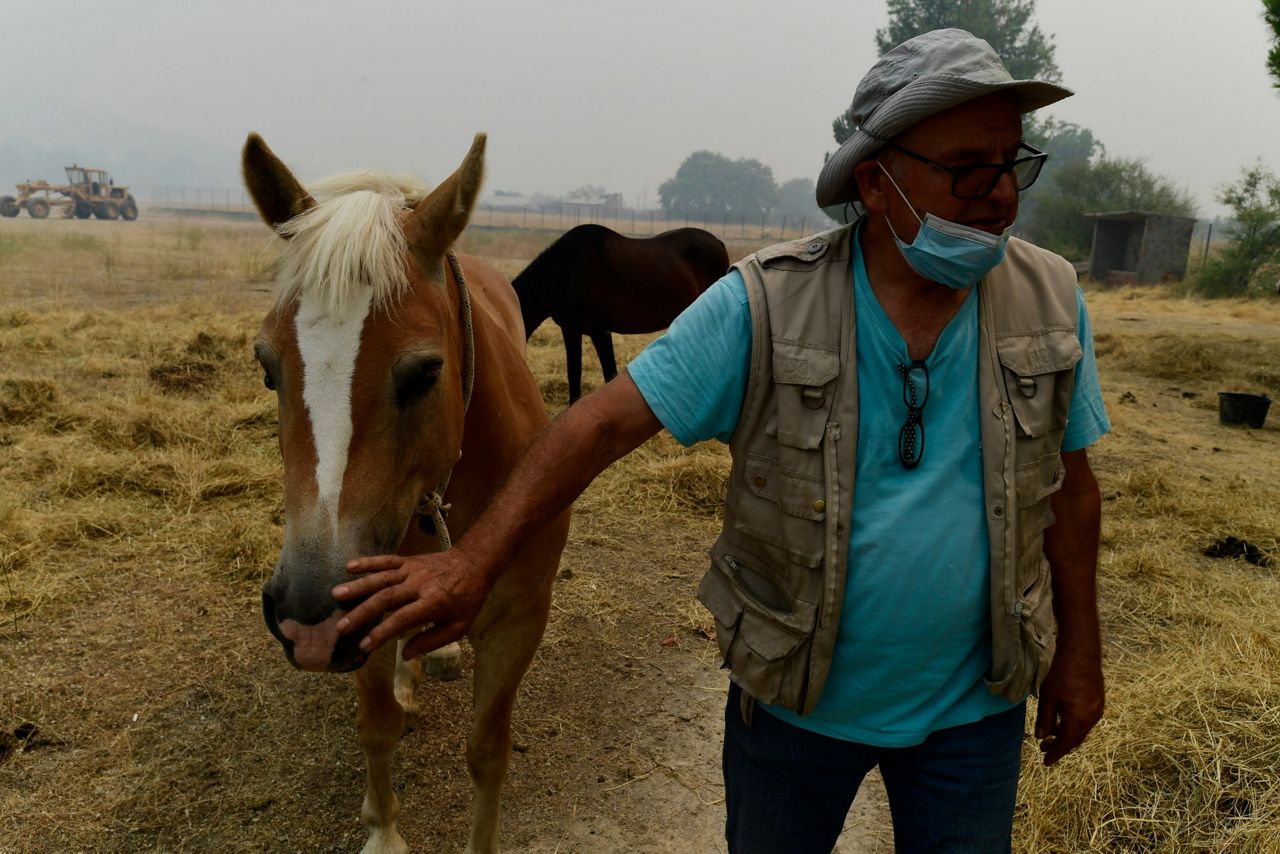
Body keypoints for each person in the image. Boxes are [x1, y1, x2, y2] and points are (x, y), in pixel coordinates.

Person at [333, 28, 1109, 853]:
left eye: (1012, 162)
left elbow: (1075, 495)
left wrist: (1079, 657)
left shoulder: (1050, 296)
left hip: (976, 724)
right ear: (879, 185)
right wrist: (470, 562)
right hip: (794, 715)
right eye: (968, 169)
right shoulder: (764, 307)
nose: (1001, 194)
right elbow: (595, 427)